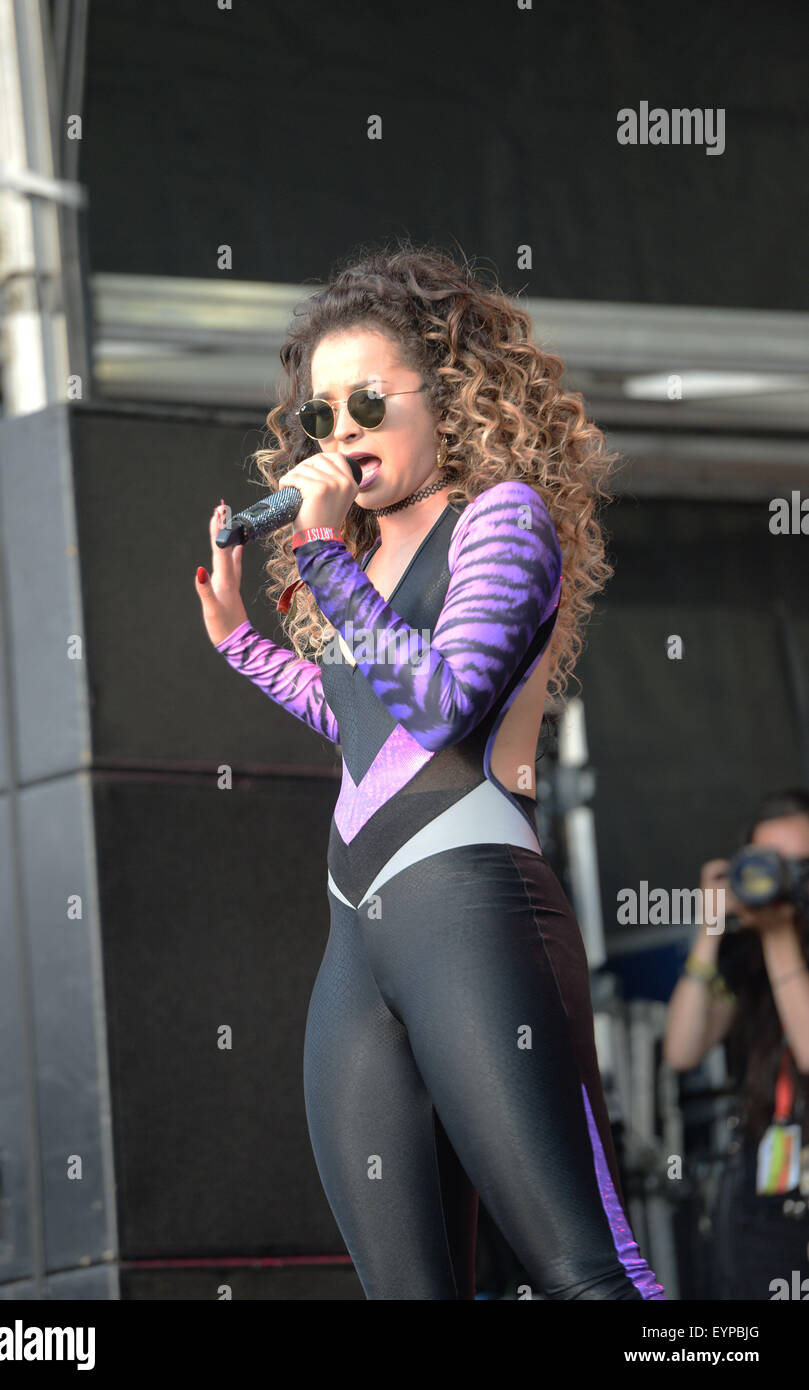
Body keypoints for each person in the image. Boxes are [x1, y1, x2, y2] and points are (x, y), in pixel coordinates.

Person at [194, 241, 665, 1300]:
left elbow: (443, 699)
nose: (342, 433)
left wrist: (316, 558)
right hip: (355, 933)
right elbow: (361, 718)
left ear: (446, 396)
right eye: (321, 417)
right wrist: (242, 641)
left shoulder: (500, 517)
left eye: (366, 402)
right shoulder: (357, 561)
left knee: (584, 1268)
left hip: (470, 901)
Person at [663, 789, 809, 1300]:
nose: (782, 880)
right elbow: (681, 1049)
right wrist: (710, 929)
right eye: (767, 864)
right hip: (768, 1200)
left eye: (799, 866)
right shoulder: (745, 957)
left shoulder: (773, 943)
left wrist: (779, 936)